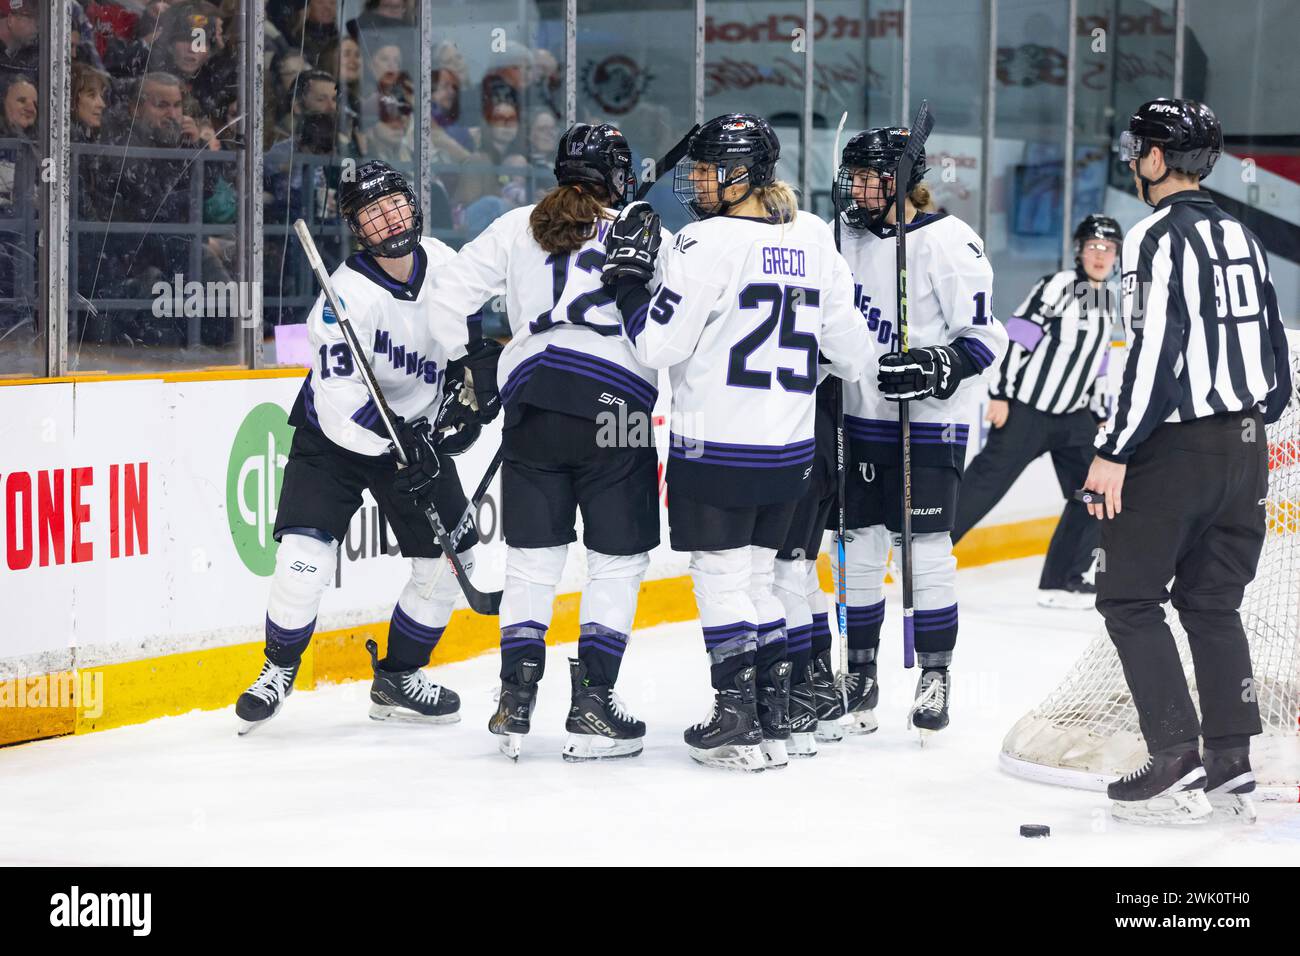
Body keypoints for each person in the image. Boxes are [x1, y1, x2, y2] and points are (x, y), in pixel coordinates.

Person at [605, 113, 870, 771]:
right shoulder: (812, 239)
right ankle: (773, 722)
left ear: (744, 174)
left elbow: (656, 343)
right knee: (761, 578)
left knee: (722, 580)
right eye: (693, 166)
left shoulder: (702, 243)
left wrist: (628, 282)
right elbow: (854, 355)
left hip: (714, 444)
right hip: (788, 450)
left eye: (708, 168)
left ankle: (735, 719)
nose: (695, 179)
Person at [234, 160, 502, 734]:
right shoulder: (345, 296)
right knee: (303, 562)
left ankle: (398, 676)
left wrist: (466, 407)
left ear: (414, 204)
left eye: (395, 204)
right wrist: (396, 443)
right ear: (358, 228)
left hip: (415, 436)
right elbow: (338, 405)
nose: (389, 218)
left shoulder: (448, 267)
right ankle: (277, 669)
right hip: (337, 440)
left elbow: (464, 356)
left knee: (451, 562)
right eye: (372, 213)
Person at [1082, 99, 1293, 824]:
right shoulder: (1242, 234)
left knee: (1128, 598)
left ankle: (1174, 753)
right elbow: (1275, 349)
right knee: (1212, 602)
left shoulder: (1152, 238)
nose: (1133, 158)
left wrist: (1113, 449)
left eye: (1140, 147)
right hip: (1245, 447)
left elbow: (1152, 355)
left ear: (1159, 157)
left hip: (1176, 451)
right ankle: (1230, 760)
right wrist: (1247, 427)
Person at [425, 123, 662, 762]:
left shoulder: (515, 224)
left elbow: (445, 295)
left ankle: (515, 698)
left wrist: (468, 359)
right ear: (618, 173)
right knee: (617, 560)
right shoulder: (641, 231)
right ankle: (592, 705)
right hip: (618, 410)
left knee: (533, 560)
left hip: (531, 405)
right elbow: (672, 330)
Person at [830, 127, 1007, 738]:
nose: (854, 188)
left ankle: (935, 674)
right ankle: (858, 673)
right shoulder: (842, 239)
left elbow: (988, 337)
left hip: (927, 424)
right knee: (855, 548)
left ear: (902, 181)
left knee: (924, 550)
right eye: (850, 175)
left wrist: (938, 365)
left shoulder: (949, 242)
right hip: (856, 419)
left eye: (868, 177)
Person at [951, 214, 1121, 609]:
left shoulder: (1109, 300)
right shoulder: (1058, 286)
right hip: (1026, 411)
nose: (1100, 255)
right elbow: (1017, 338)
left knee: (1094, 494)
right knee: (982, 489)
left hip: (1073, 418)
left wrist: (1098, 410)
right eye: (1094, 246)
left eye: (1108, 249)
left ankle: (1062, 579)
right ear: (1080, 250)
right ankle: (925, 559)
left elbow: (1098, 360)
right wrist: (1000, 393)